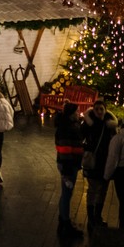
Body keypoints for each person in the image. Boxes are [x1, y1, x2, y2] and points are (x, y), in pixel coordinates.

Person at [81, 100, 118, 227]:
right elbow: (81, 137)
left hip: (106, 162)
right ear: (93, 110)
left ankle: (97, 216)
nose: (99, 112)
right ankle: (91, 218)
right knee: (93, 189)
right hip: (93, 161)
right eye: (96, 109)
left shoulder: (110, 125)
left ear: (105, 110)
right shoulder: (88, 124)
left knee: (103, 190)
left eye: (101, 109)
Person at [54, 102, 86, 237]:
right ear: (71, 113)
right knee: (67, 194)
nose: (79, 113)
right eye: (77, 111)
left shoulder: (68, 124)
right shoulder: (67, 128)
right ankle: (65, 223)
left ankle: (63, 220)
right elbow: (65, 149)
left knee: (66, 193)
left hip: (69, 163)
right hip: (68, 164)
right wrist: (67, 169)